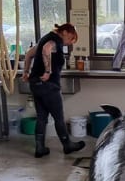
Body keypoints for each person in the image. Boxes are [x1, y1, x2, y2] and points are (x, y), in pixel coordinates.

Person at [23, 23, 86, 158]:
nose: (69, 43)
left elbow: (28, 54)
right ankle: (67, 145)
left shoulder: (44, 38)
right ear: (65, 32)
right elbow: (47, 49)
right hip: (49, 85)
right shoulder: (55, 40)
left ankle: (40, 148)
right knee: (58, 117)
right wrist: (48, 71)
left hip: (35, 84)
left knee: (41, 117)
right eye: (70, 39)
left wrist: (25, 72)